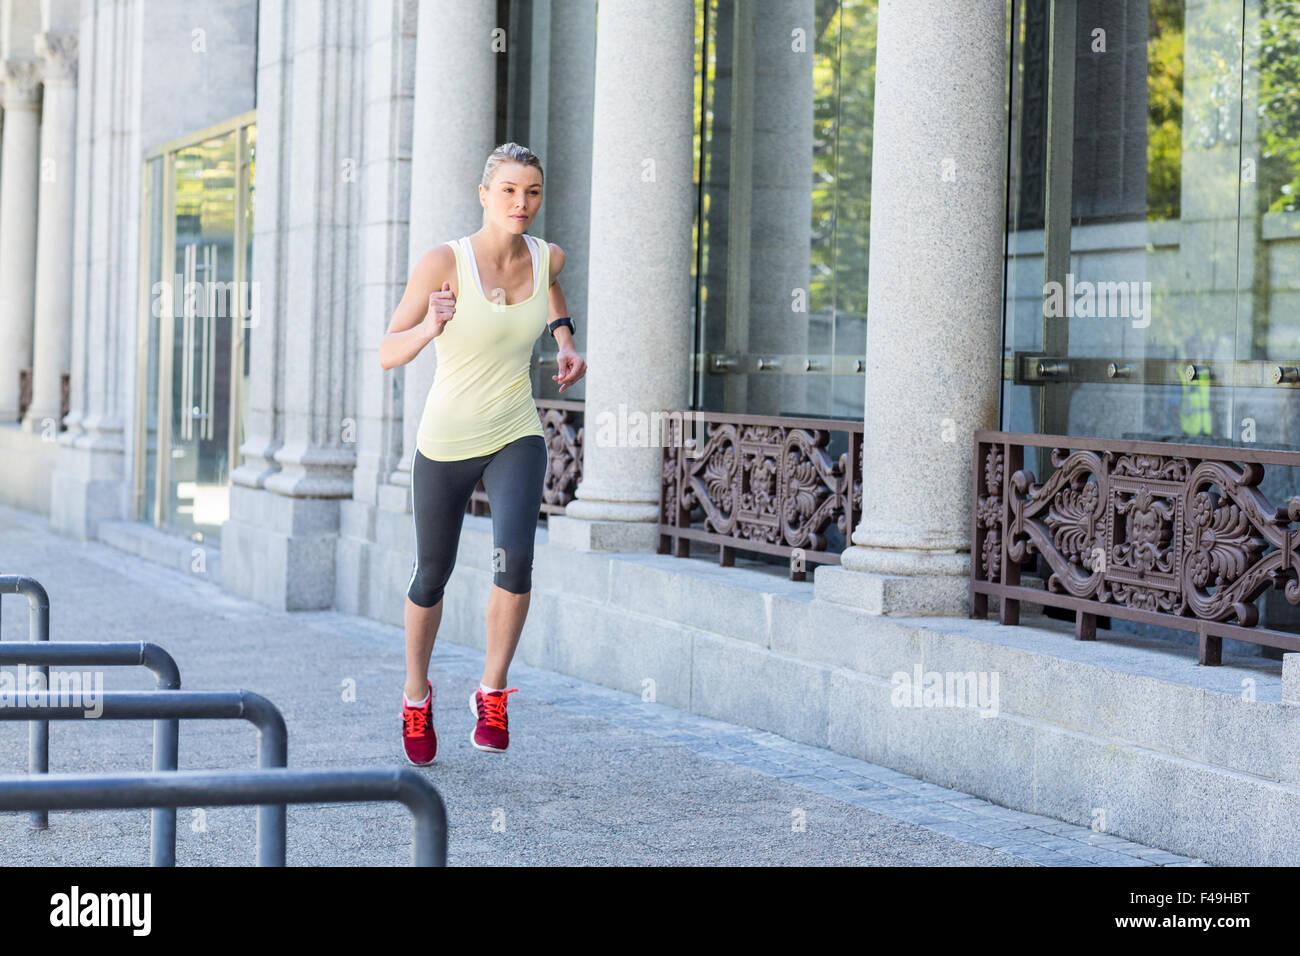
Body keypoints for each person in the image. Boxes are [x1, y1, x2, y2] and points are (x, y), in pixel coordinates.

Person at [377, 142, 587, 765]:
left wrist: (565, 338)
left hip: (515, 431)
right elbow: (388, 350)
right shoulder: (444, 262)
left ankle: (491, 690)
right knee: (431, 574)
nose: (521, 204)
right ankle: (416, 695)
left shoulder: (549, 257)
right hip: (445, 441)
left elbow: (550, 287)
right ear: (484, 195)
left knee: (515, 560)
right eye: (509, 191)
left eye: (532, 192)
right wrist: (430, 327)